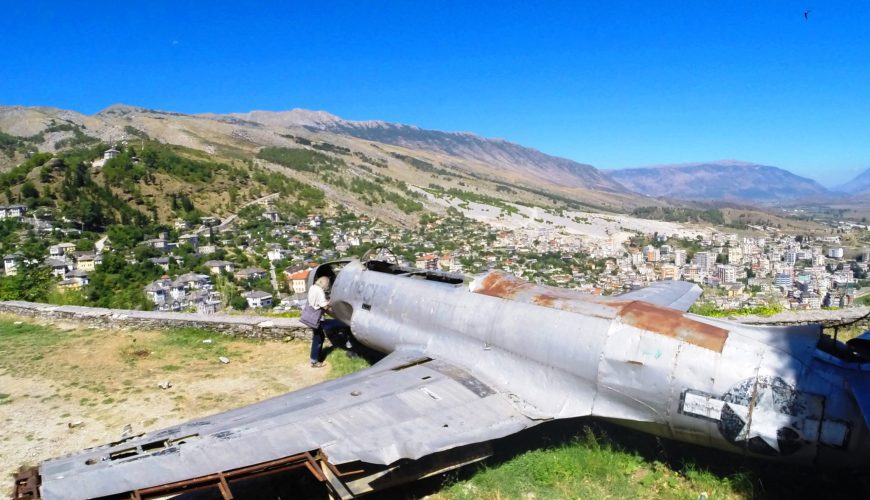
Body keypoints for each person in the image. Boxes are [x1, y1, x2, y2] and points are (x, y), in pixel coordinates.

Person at [308, 275, 331, 367]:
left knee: (318, 336)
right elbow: (324, 306)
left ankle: (315, 357)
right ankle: (314, 361)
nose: (327, 286)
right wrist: (330, 302)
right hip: (317, 317)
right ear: (322, 282)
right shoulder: (319, 290)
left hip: (311, 316)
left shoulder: (312, 287)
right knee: (318, 338)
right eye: (327, 284)